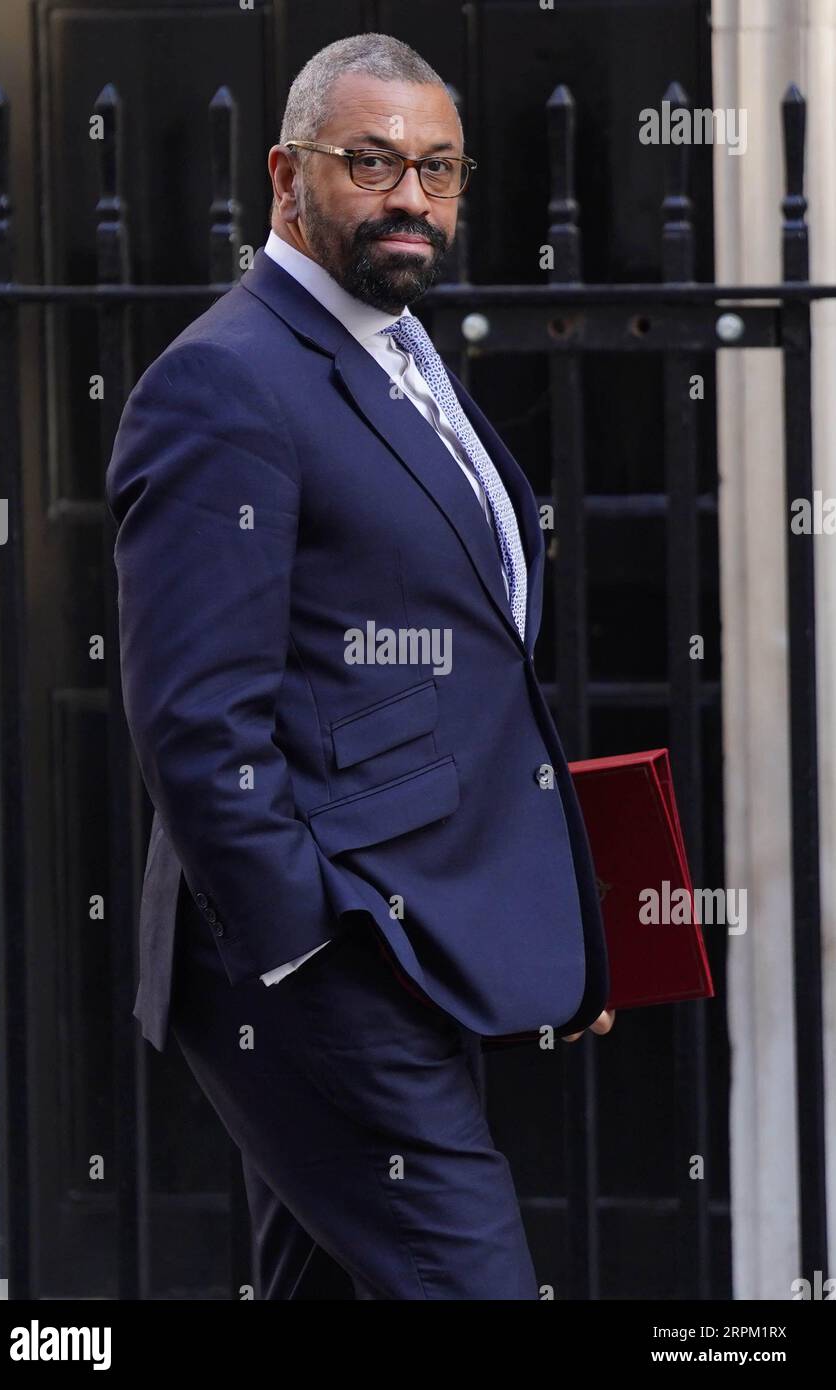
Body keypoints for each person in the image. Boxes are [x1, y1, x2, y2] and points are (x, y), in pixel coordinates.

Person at [106, 31, 614, 1301]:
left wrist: (562, 932)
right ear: (287, 175)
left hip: (424, 934)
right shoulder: (226, 381)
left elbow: (462, 681)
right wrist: (307, 952)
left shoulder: (398, 346)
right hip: (328, 958)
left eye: (438, 169)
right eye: (372, 161)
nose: (414, 199)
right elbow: (193, 721)